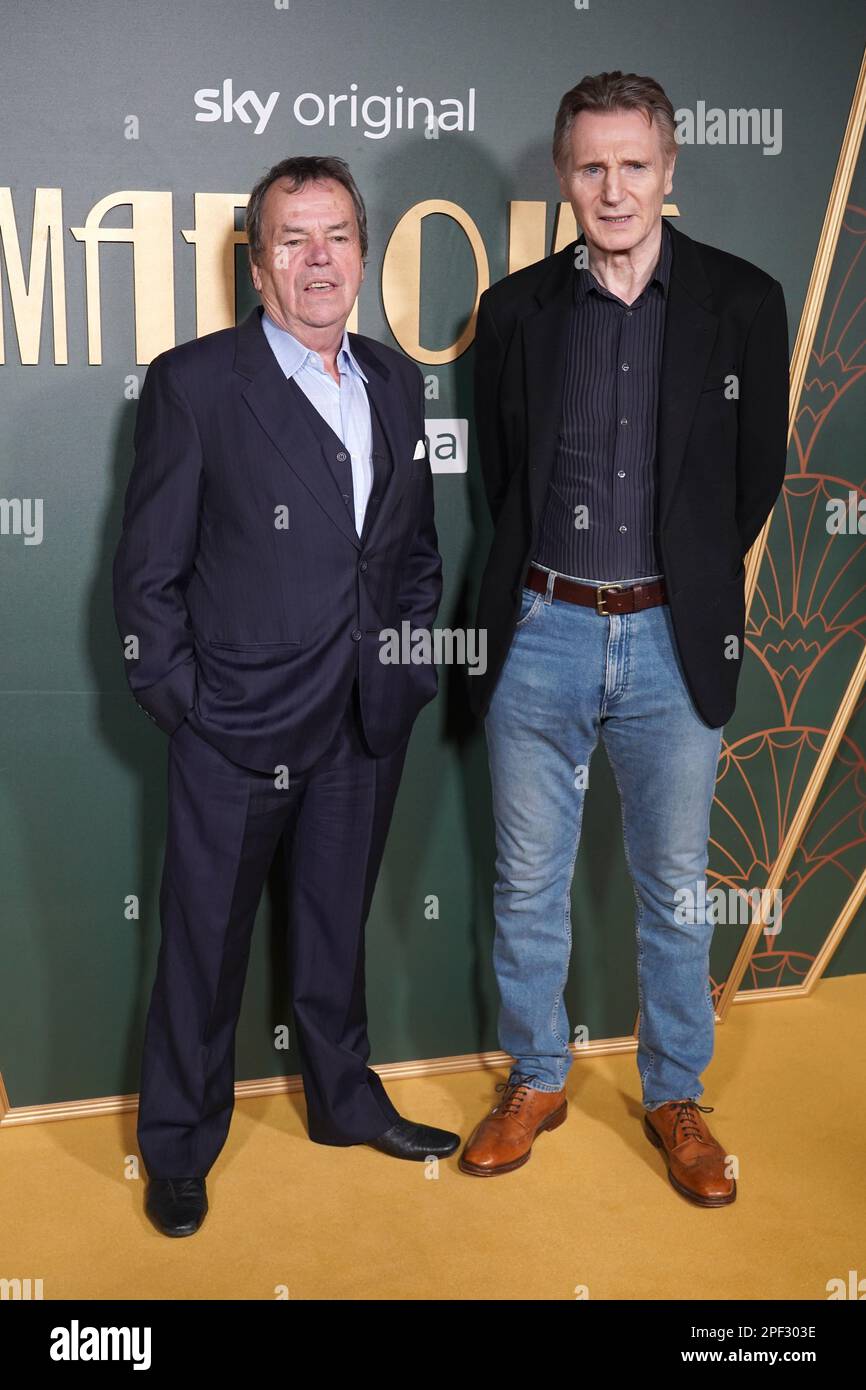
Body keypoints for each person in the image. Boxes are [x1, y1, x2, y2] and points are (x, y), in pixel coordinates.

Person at [113, 155, 457, 1237]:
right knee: (202, 946)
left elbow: (411, 558)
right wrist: (185, 703)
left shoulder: (397, 382)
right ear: (256, 264)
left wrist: (402, 673)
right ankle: (177, 1144)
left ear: (363, 251)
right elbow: (145, 574)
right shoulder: (195, 384)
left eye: (336, 237)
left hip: (364, 722)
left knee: (331, 930)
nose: (317, 260)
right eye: (292, 240)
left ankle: (343, 1102)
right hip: (232, 726)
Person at [462, 72, 789, 1204]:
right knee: (525, 882)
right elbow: (500, 482)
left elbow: (752, 481)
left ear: (668, 170)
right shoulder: (513, 312)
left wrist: (681, 584)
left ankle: (673, 1096)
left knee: (671, 886)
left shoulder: (741, 302)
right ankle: (536, 1078)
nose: (612, 188)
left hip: (669, 636)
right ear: (564, 177)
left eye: (632, 164)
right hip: (539, 626)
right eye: (590, 167)